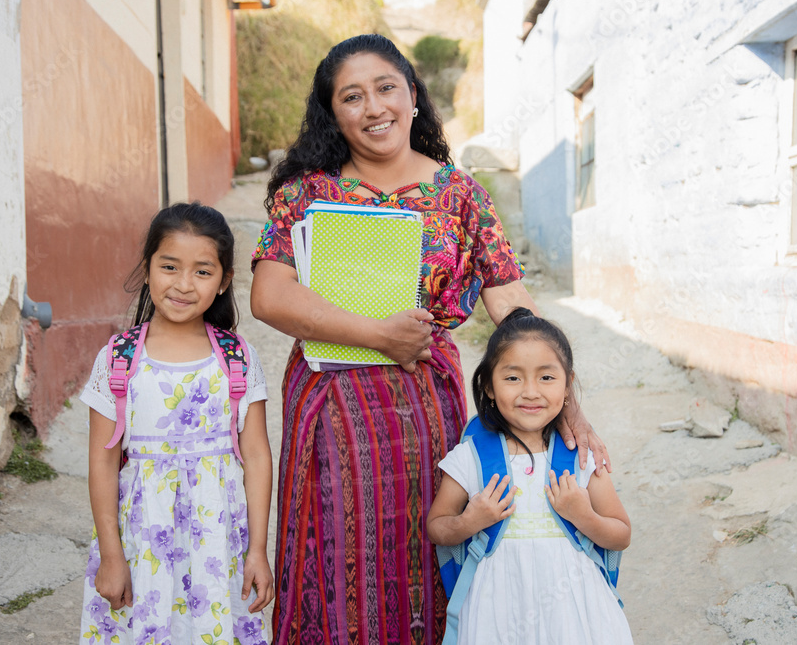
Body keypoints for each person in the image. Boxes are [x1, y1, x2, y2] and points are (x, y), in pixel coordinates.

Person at [250, 33, 609, 643]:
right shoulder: (305, 194)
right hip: (331, 399)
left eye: (386, 88)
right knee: (336, 542)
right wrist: (376, 334)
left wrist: (567, 399)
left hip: (425, 402)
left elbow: (509, 301)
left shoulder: (460, 194)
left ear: (413, 96)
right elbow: (269, 296)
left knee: (432, 536)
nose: (373, 108)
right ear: (332, 114)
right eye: (352, 97)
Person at [79, 202, 274, 645]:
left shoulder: (238, 358)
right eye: (170, 266)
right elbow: (102, 461)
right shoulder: (119, 359)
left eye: (203, 272)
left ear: (223, 281)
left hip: (217, 544)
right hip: (141, 542)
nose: (183, 284)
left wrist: (257, 551)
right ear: (147, 269)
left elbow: (258, 457)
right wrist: (112, 554)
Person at [426, 308, 633, 644]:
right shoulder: (472, 457)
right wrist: (469, 521)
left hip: (575, 612)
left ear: (568, 387)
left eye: (547, 378)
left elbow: (620, 534)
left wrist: (583, 516)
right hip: (498, 612)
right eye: (512, 378)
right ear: (489, 387)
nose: (531, 392)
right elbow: (437, 527)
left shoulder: (580, 457)